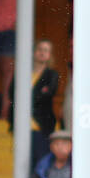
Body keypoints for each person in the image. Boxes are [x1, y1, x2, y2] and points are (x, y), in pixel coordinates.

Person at [25, 39, 62, 168]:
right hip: (24, 126)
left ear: (50, 55)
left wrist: (30, 96)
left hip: (41, 126)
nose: (42, 53)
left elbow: (48, 93)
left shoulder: (52, 74)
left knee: (40, 163)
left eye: (46, 50)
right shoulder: (24, 73)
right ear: (34, 52)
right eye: (40, 49)